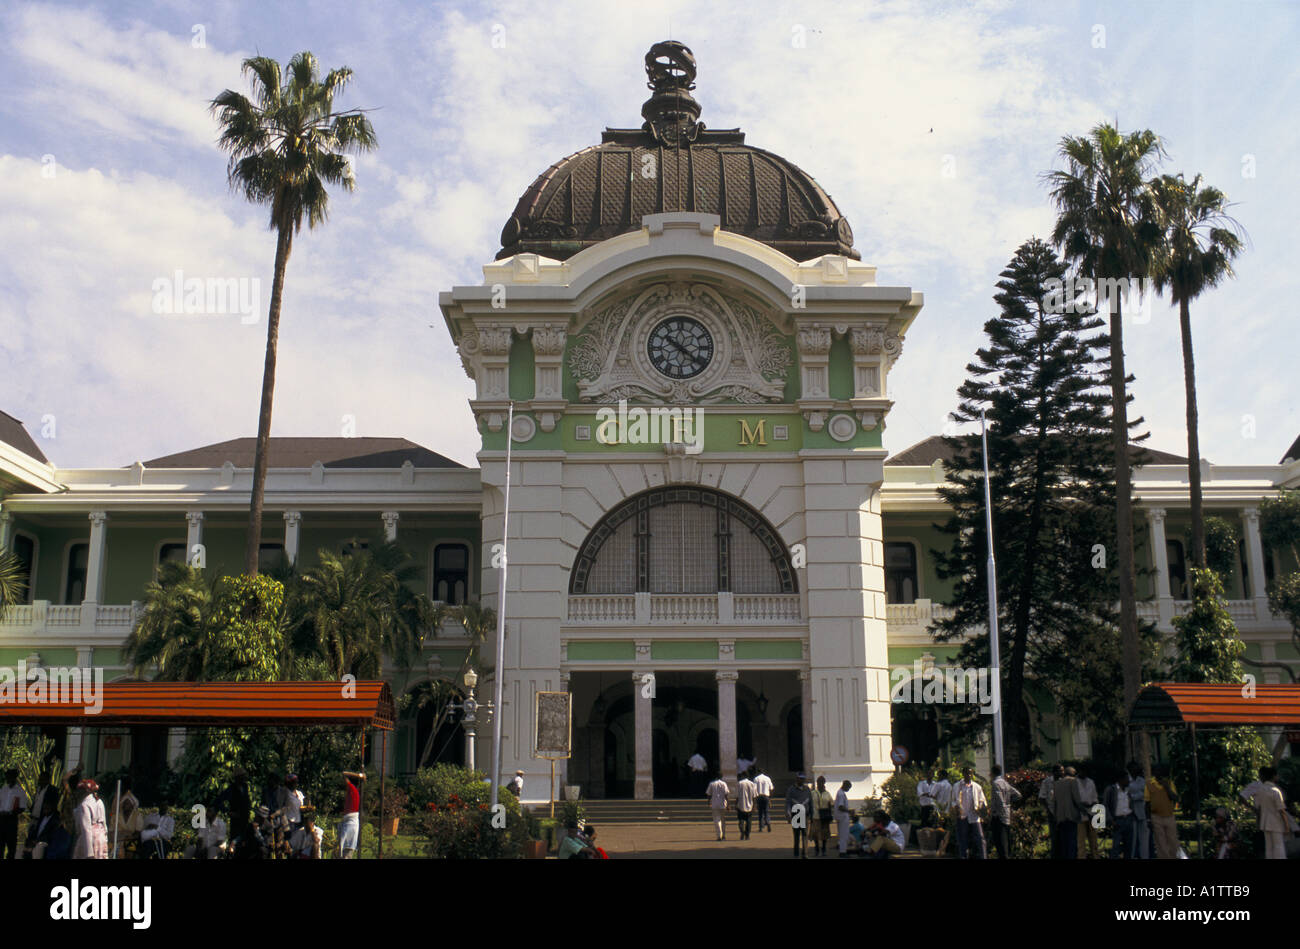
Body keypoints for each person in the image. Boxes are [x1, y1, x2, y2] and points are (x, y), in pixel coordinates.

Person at [1250, 766, 1289, 860]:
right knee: (1278, 846)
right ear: (1273, 776)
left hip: (1265, 822)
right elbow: (1281, 810)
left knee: (1269, 847)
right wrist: (1287, 825)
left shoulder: (1259, 790)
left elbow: (1258, 808)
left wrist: (1258, 823)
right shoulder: (1275, 791)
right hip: (1276, 822)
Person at [1146, 764, 1179, 859]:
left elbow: (1175, 798)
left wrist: (1167, 787)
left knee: (1173, 841)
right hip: (1156, 817)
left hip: (1169, 816)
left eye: (1160, 771)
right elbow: (1147, 803)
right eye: (1156, 771)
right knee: (1160, 843)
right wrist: (1148, 819)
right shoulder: (1149, 784)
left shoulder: (1169, 783)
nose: (1158, 773)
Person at [953, 766, 987, 859]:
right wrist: (956, 808)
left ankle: (983, 856)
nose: (968, 775)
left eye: (970, 773)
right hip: (963, 815)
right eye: (966, 773)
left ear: (972, 774)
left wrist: (980, 809)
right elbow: (953, 800)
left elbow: (982, 801)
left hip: (974, 815)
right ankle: (963, 856)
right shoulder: (957, 786)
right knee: (962, 838)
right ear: (963, 774)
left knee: (980, 838)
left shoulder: (977, 787)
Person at [988, 764, 1020, 859]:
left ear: (993, 773)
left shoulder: (996, 784)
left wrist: (1002, 807)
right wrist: (1008, 803)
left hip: (998, 817)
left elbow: (999, 800)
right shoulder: (1005, 783)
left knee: (1000, 843)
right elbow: (1018, 795)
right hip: (1006, 816)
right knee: (1006, 842)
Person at [1052, 766, 1082, 860]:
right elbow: (1077, 799)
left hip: (1060, 817)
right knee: (1072, 843)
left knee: (1064, 843)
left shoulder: (1056, 784)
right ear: (1074, 774)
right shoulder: (1073, 781)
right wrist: (1084, 811)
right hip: (1071, 816)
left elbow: (1055, 802)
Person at [73, 779, 108, 859]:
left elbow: (86, 829)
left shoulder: (84, 805)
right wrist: (105, 839)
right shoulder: (99, 801)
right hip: (100, 838)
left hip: (89, 840)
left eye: (80, 790)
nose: (78, 793)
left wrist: (89, 853)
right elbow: (104, 824)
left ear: (86, 791)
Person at [110, 778, 143, 858]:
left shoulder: (137, 816)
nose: (125, 806)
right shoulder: (116, 816)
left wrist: (128, 837)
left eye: (127, 804)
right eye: (124, 804)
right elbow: (111, 831)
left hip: (131, 840)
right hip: (117, 840)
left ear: (132, 805)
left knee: (129, 849)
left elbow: (138, 832)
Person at [0, 768, 29, 859]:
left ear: (15, 777)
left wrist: (11, 813)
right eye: (7, 777)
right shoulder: (3, 789)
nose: (8, 779)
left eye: (10, 777)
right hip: (1, 819)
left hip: (11, 820)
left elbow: (22, 807)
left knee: (11, 845)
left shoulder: (20, 791)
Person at [1104, 771, 1134, 859]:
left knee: (1129, 846)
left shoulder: (1128, 790)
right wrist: (1111, 821)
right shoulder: (1111, 789)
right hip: (1117, 820)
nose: (1128, 781)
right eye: (1127, 779)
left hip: (1128, 819)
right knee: (1116, 846)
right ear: (1121, 780)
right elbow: (1105, 805)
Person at [22, 795, 60, 859]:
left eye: (47, 805)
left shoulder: (55, 819)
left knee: (39, 847)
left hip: (44, 843)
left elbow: (51, 835)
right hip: (36, 840)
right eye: (44, 805)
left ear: (52, 806)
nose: (45, 807)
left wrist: (37, 841)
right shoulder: (42, 817)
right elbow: (36, 830)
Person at [339, 770, 365, 859]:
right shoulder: (355, 791)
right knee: (343, 851)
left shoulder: (352, 789)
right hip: (349, 821)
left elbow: (344, 773)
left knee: (346, 851)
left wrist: (358, 776)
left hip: (351, 823)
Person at [785, 773, 812, 859]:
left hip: (805, 815)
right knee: (796, 835)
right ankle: (796, 854)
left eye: (803, 779)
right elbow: (788, 802)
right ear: (797, 779)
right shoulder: (791, 789)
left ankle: (805, 853)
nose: (802, 780)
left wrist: (812, 814)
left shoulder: (807, 789)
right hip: (796, 814)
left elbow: (811, 802)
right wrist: (788, 813)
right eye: (800, 778)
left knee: (805, 834)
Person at [1076, 765, 1100, 859]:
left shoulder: (1091, 782)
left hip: (1091, 812)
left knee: (1093, 840)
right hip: (1080, 814)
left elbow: (1095, 798)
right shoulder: (1075, 782)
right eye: (1082, 771)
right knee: (1081, 841)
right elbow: (1076, 800)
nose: (1084, 773)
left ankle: (1095, 856)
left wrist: (1093, 811)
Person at [1126, 761, 1149, 859]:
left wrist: (1134, 796)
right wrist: (1137, 796)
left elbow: (1144, 794)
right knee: (1133, 838)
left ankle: (1145, 856)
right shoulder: (1126, 780)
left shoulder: (1141, 780)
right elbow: (1126, 795)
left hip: (1142, 811)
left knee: (1144, 838)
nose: (1135, 770)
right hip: (1131, 812)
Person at [811, 775, 833, 857]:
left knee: (824, 834)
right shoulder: (813, 793)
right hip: (815, 816)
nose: (819, 784)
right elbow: (810, 804)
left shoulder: (827, 794)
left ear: (824, 783)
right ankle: (817, 849)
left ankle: (823, 849)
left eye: (821, 782)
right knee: (815, 834)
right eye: (818, 782)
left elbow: (830, 804)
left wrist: (830, 815)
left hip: (825, 817)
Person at [706, 771, 730, 841]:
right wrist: (728, 804)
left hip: (714, 804)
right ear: (721, 777)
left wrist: (708, 802)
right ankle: (723, 835)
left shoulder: (712, 784)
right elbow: (726, 795)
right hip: (722, 804)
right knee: (723, 820)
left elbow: (709, 794)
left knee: (717, 820)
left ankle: (719, 835)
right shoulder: (724, 784)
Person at [736, 771, 758, 840]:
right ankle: (747, 835)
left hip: (741, 805)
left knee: (741, 821)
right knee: (748, 821)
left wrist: (735, 804)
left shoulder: (739, 783)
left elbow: (737, 796)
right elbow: (754, 796)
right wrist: (754, 806)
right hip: (749, 806)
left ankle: (742, 832)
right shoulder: (752, 784)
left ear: (742, 776)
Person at [834, 779, 853, 857]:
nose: (848, 790)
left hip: (840, 817)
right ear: (845, 786)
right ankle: (842, 852)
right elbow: (840, 807)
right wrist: (849, 811)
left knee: (843, 835)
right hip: (843, 817)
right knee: (843, 835)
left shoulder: (840, 793)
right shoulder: (841, 794)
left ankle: (843, 850)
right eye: (848, 788)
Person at [753, 765, 774, 832]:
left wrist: (755, 800)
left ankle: (761, 827)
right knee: (766, 811)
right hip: (766, 796)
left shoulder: (756, 779)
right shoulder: (767, 778)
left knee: (760, 812)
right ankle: (768, 823)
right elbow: (771, 788)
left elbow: (754, 789)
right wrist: (770, 798)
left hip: (759, 796)